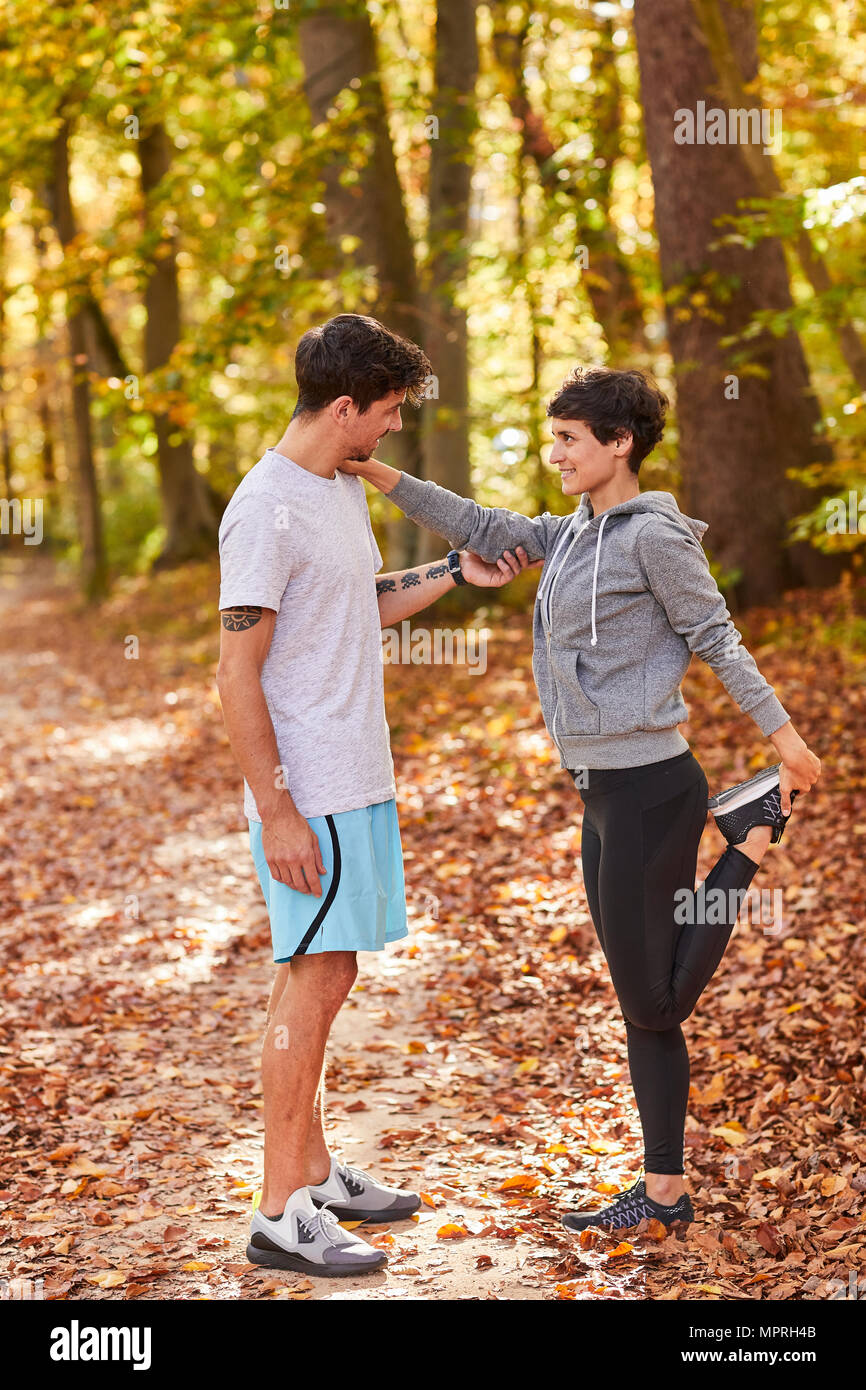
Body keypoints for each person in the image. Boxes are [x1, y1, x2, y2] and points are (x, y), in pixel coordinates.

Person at [338, 364, 821, 1235]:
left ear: (618, 443)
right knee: (644, 1001)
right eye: (553, 436)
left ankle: (749, 841)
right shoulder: (568, 536)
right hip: (602, 794)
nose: (554, 453)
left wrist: (782, 735)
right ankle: (663, 1193)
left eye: (568, 438)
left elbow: (715, 633)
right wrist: (375, 471)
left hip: (652, 790)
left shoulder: (654, 539)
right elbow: (478, 525)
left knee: (655, 1005)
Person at [216, 313, 536, 1277]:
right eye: (389, 411)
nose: (396, 428)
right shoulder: (265, 508)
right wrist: (277, 810)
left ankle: (313, 1170)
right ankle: (281, 1210)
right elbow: (235, 673)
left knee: (329, 970)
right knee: (314, 977)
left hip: (355, 775)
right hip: (307, 786)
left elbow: (362, 600)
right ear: (344, 405)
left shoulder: (335, 486)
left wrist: (453, 570)